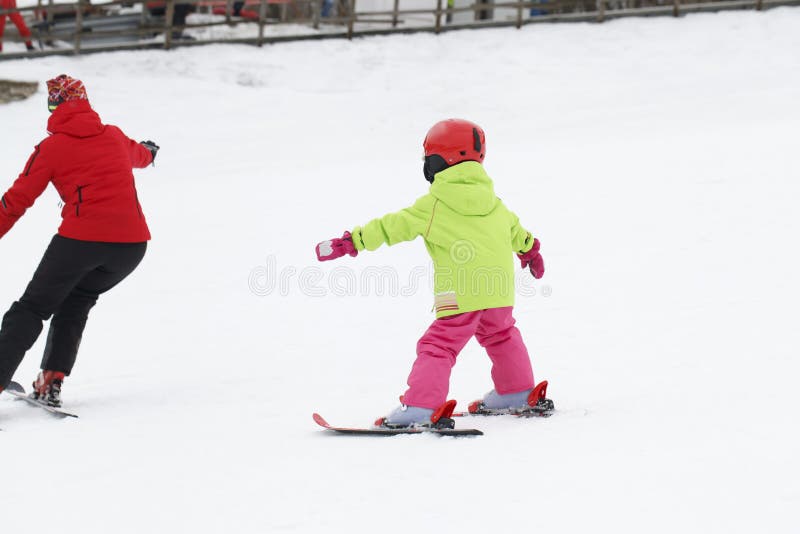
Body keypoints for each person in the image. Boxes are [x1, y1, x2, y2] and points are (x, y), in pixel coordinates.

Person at [315, 118, 552, 428]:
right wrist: (530, 251)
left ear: (440, 161)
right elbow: (518, 232)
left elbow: (391, 227)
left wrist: (351, 242)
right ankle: (517, 391)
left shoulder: (435, 205)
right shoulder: (494, 204)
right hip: (499, 290)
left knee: (439, 345)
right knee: (501, 334)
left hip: (461, 292)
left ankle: (420, 407)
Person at [0, 74, 159, 407]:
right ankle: (49, 382)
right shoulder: (113, 135)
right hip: (131, 247)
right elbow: (140, 157)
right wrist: (149, 151)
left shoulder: (51, 148)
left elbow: (16, 202)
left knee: (31, 309)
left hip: (82, 240)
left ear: (53, 107)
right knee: (76, 299)